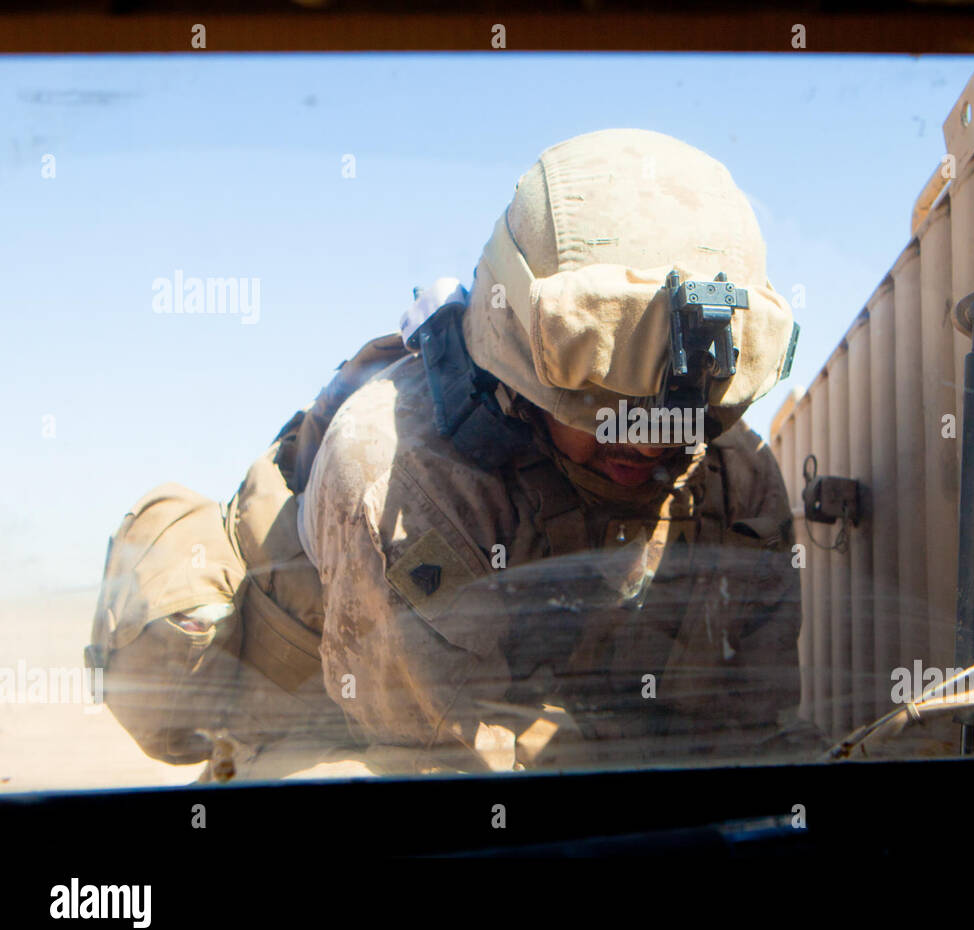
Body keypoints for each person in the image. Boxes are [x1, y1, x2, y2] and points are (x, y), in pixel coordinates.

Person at [200, 128, 813, 779]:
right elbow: (445, 772)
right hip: (374, 744)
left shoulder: (736, 478)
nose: (649, 439)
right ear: (515, 358)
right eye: (603, 401)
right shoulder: (401, 477)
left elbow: (753, 739)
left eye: (682, 408)